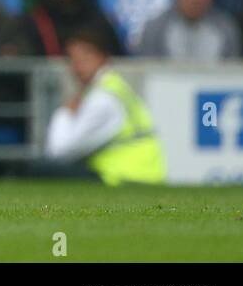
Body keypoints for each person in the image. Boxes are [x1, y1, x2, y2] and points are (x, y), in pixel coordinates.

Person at [45, 27, 167, 185]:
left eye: (85, 56)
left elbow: (59, 152)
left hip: (124, 177)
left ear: (103, 58)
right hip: (143, 174)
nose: (78, 66)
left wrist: (64, 112)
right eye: (73, 59)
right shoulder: (114, 88)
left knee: (43, 169)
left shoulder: (102, 99)